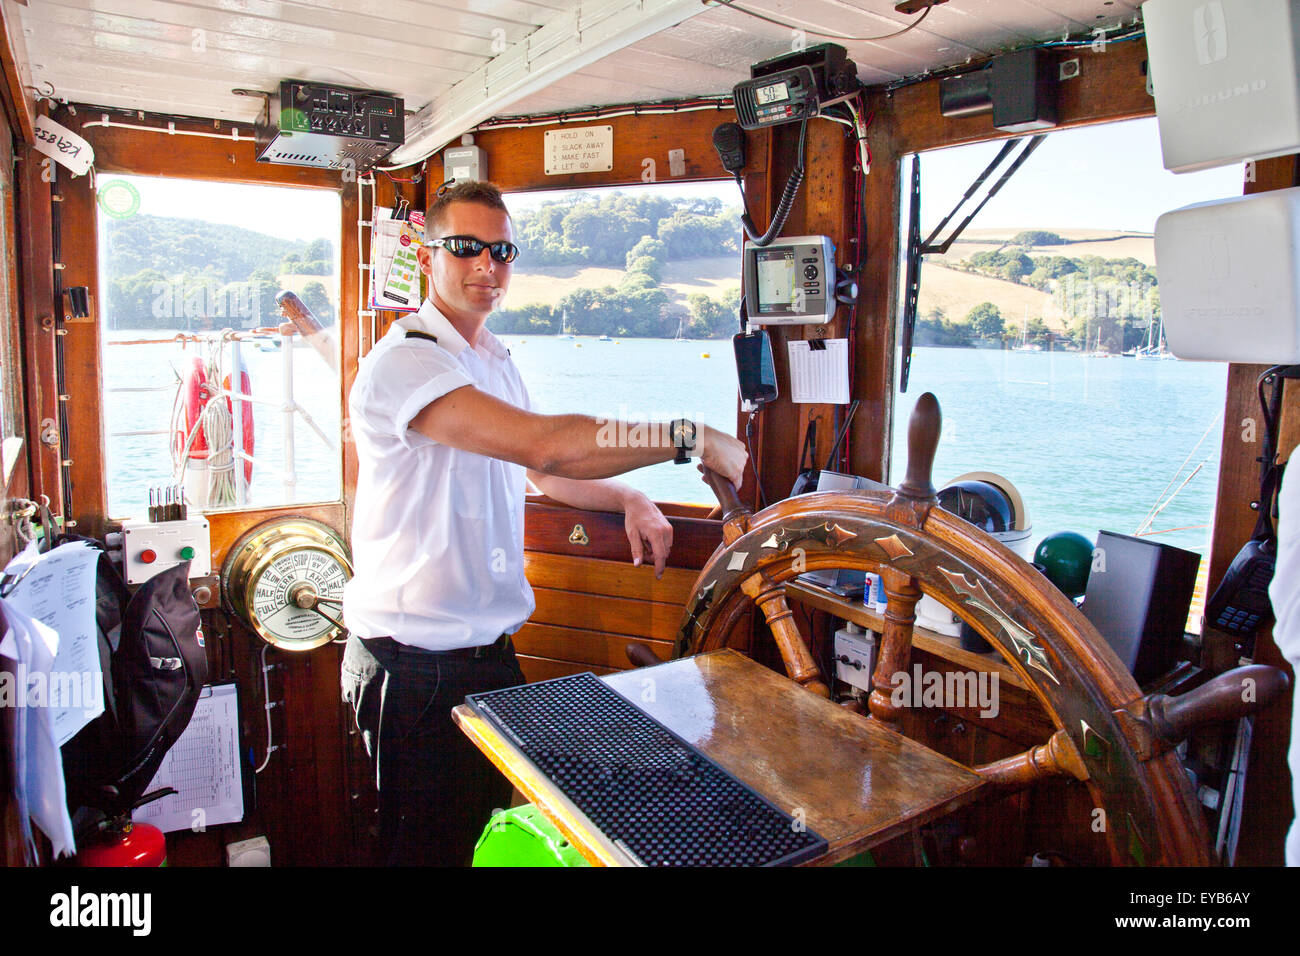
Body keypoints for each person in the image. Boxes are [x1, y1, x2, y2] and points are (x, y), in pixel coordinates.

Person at [340, 180, 748, 866]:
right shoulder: (407, 361)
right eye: (465, 247)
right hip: (413, 667)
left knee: (489, 841)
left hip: (488, 654)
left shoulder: (491, 360)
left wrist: (627, 500)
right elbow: (545, 443)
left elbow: (542, 473)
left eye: (501, 251)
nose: (485, 266)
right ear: (427, 253)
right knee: (427, 853)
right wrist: (690, 436)